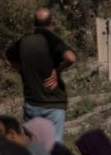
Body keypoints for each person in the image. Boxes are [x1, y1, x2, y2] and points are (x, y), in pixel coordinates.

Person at [5, 9, 76, 141]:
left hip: (31, 103)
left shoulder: (24, 41)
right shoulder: (51, 39)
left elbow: (7, 57)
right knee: (54, 151)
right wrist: (57, 70)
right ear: (52, 23)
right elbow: (71, 58)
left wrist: (22, 69)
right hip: (53, 105)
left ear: (34, 23)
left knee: (34, 149)